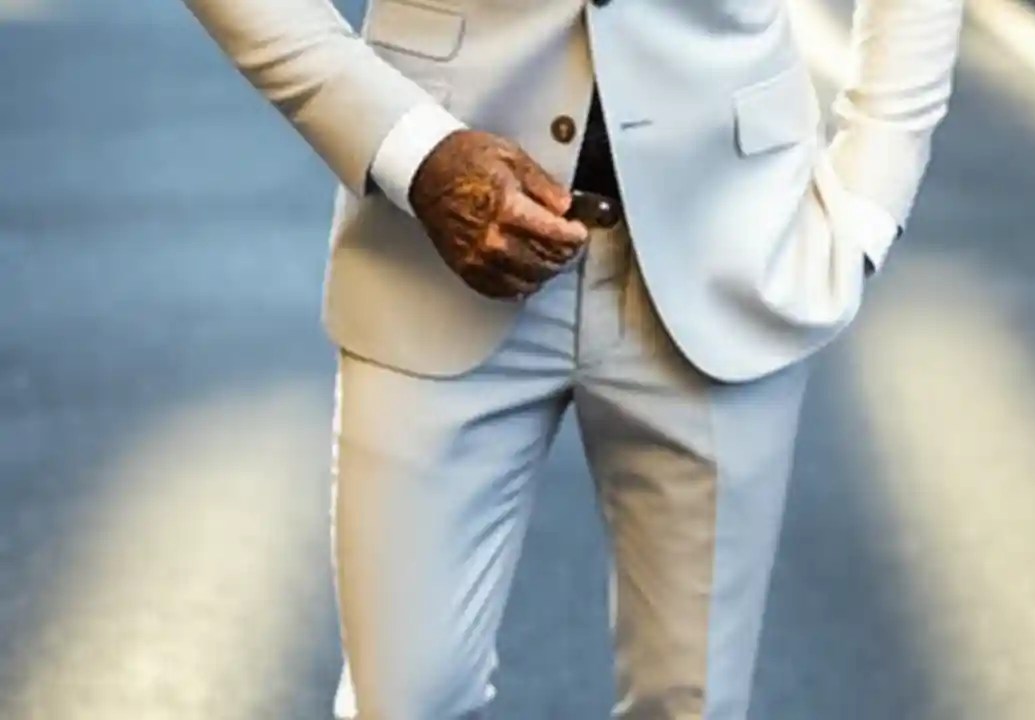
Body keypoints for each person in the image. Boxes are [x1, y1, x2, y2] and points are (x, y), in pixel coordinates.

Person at [184, 0, 964, 717]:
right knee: (403, 702)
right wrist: (411, 152)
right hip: (429, 241)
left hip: (730, 237)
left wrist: (868, 206)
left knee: (690, 704)